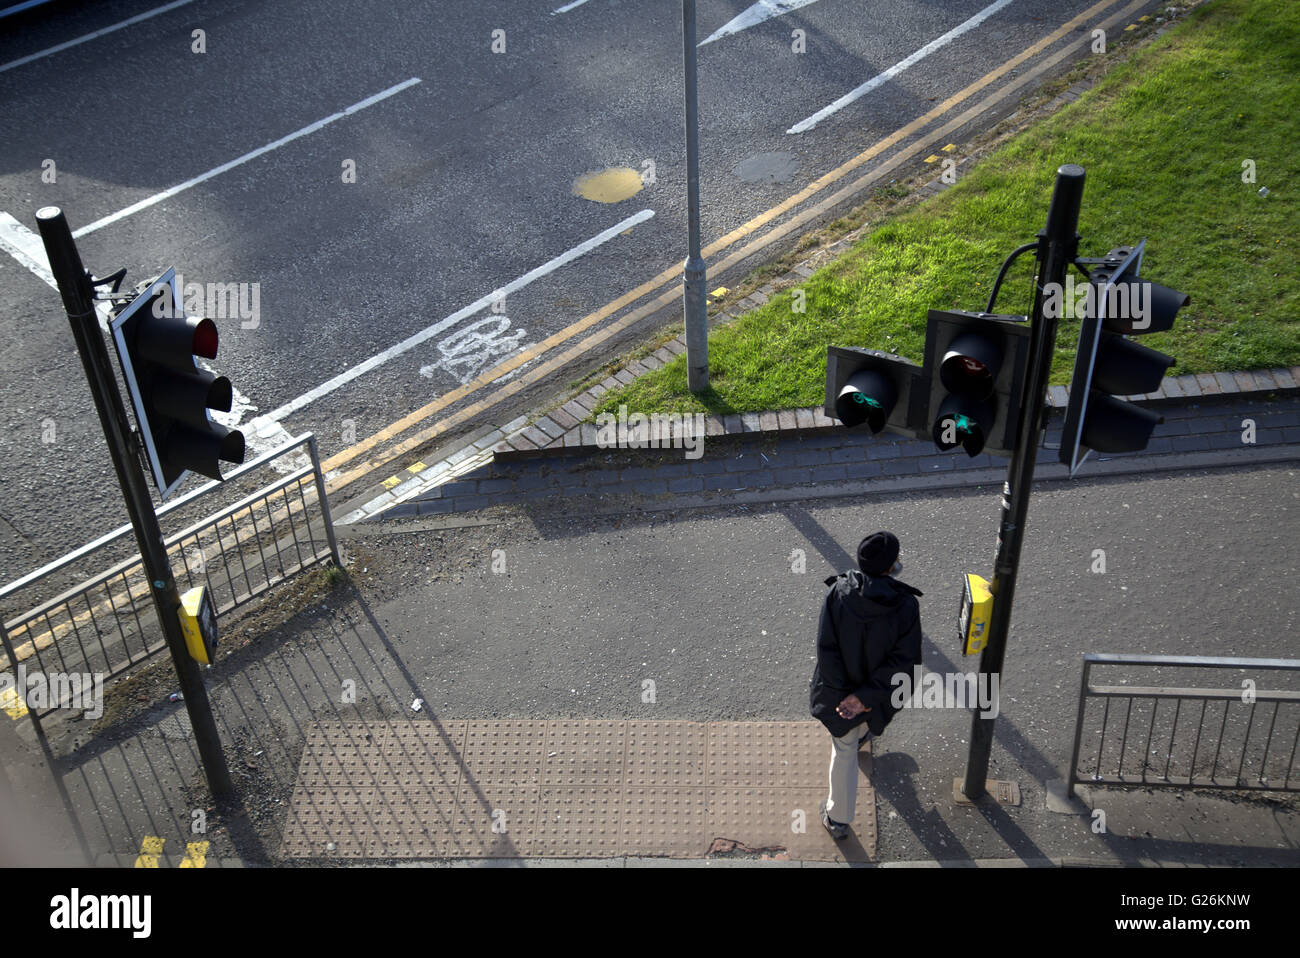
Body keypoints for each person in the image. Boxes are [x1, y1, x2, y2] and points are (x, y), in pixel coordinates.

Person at [809, 531, 923, 840]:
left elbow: (827, 649)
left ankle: (837, 817)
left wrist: (845, 697)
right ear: (890, 567)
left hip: (837, 696)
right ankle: (862, 732)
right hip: (877, 697)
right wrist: (863, 698)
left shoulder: (838, 593)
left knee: (842, 750)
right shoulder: (906, 606)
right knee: (858, 731)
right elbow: (903, 662)